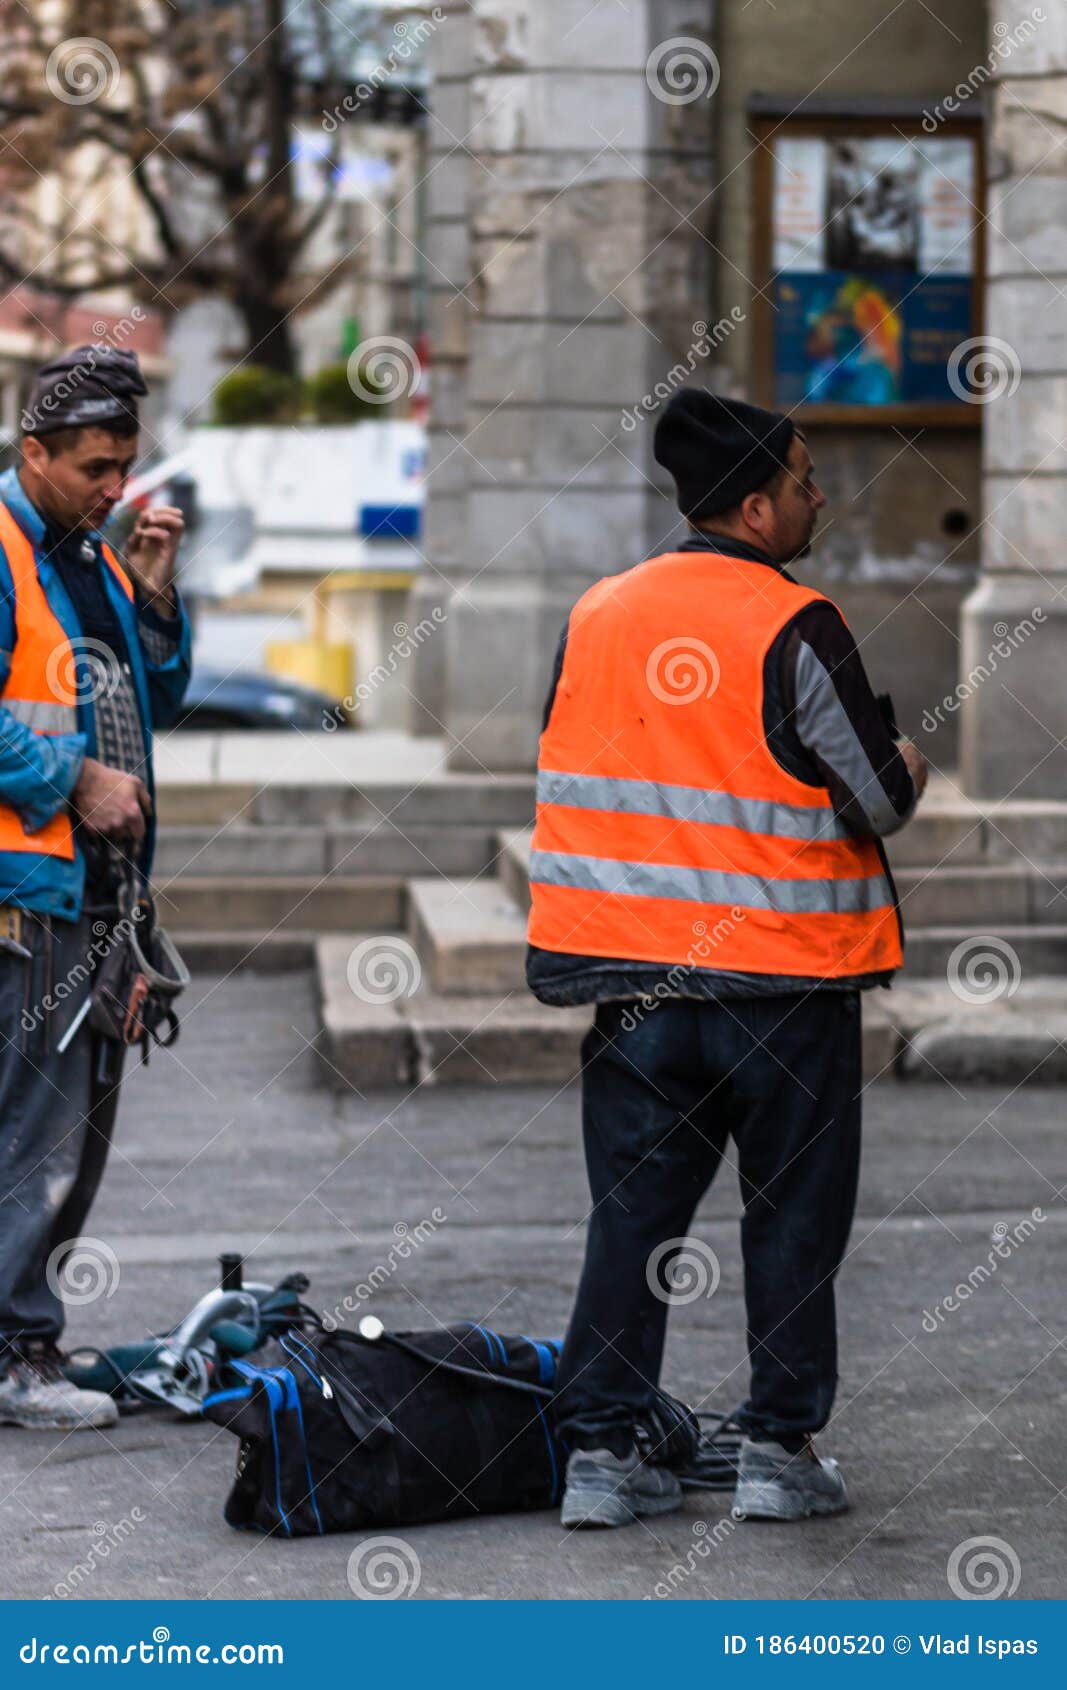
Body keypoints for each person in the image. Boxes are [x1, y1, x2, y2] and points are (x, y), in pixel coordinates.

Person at [527, 389, 927, 1528]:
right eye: (802, 482)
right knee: (790, 1215)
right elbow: (877, 797)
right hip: (780, 982)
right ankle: (775, 1448)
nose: (816, 498)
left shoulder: (598, 610)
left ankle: (599, 1457)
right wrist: (905, 755)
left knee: (632, 1217)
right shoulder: (794, 621)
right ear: (753, 508)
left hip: (628, 982)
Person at [0, 345, 191, 1430]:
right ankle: (17, 1351)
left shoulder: (90, 554)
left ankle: (19, 1336)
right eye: (94, 467)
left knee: (68, 1130)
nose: (117, 487)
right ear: (34, 452)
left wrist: (154, 596)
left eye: (126, 465)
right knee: (35, 1133)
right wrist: (72, 781)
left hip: (92, 893)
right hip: (26, 895)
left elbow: (150, 697)